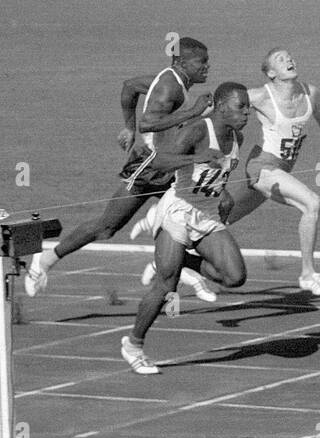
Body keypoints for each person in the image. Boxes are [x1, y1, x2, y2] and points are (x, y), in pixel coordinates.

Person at [137, 49, 320, 296]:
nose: (289, 60)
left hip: (282, 172)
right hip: (263, 168)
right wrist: (178, 123)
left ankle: (168, 256)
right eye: (281, 59)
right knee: (312, 203)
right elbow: (221, 106)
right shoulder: (259, 96)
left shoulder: (310, 92)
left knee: (221, 216)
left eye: (290, 56)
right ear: (270, 73)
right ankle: (308, 274)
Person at [25, 39, 216, 299]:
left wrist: (128, 127)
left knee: (199, 217)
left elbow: (130, 87)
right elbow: (149, 123)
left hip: (171, 169)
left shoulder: (170, 80)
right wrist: (192, 112)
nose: (208, 66)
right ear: (182, 63)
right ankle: (45, 260)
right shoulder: (170, 85)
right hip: (150, 168)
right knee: (107, 227)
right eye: (201, 62)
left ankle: (168, 262)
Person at [121, 83, 254, 374]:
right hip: (178, 211)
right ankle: (133, 345)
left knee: (234, 277)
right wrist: (194, 159)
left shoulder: (237, 137)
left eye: (247, 106)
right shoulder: (197, 130)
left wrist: (224, 194)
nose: (247, 112)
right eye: (240, 106)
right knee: (166, 285)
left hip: (206, 214)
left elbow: (216, 173)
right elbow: (159, 161)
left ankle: (181, 260)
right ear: (221, 106)